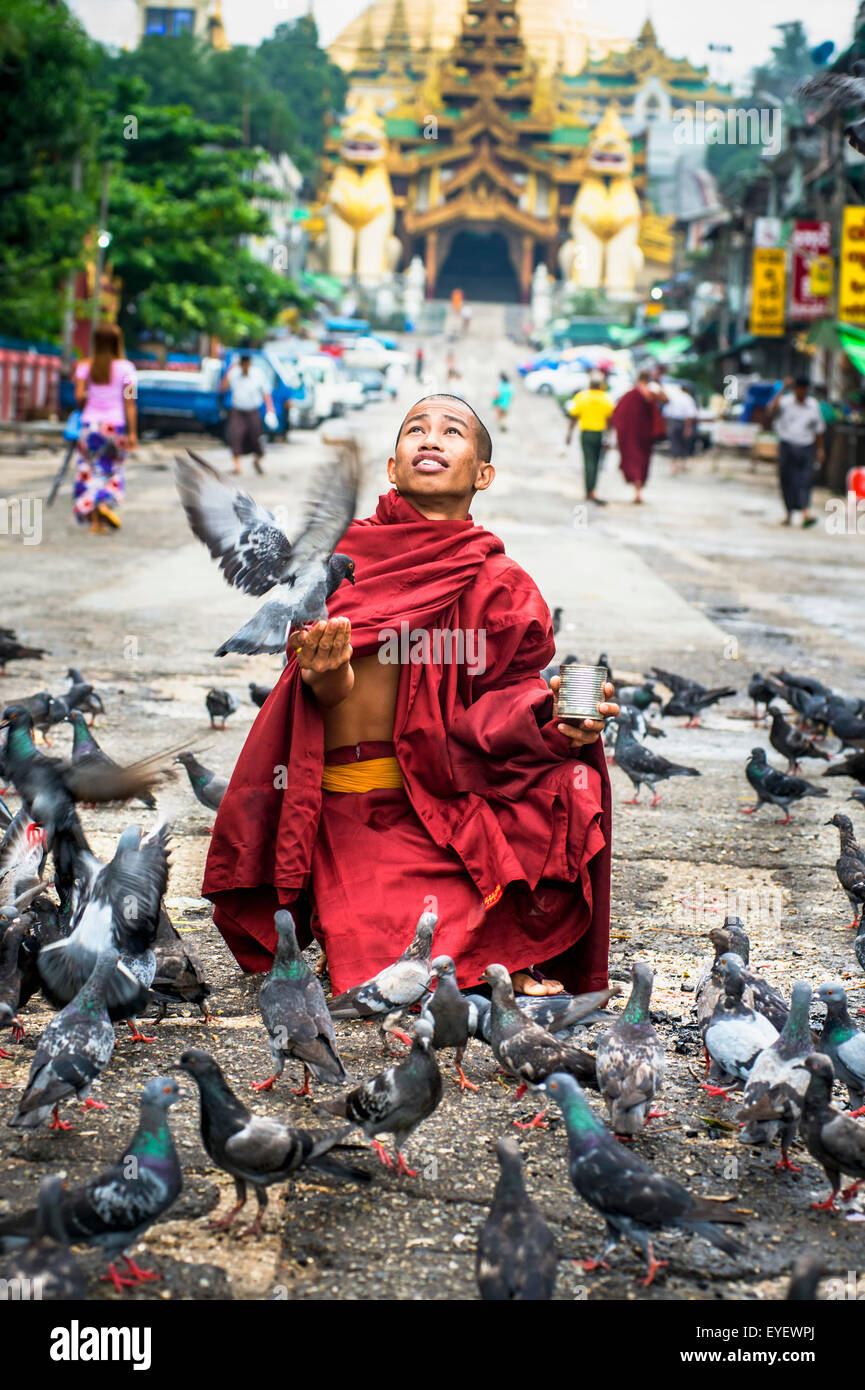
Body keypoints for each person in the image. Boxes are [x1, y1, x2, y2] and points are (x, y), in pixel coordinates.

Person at [203, 394, 618, 1000]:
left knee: (570, 786)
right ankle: (480, 951)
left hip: (444, 798)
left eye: (452, 431)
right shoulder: (345, 559)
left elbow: (501, 706)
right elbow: (328, 698)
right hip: (358, 807)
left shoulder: (499, 582)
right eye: (415, 431)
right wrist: (326, 672)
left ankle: (503, 947)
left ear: (483, 475)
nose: (431, 439)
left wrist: (553, 721)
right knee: (393, 963)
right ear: (393, 468)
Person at [73, 322, 137, 533]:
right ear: (118, 342)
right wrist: (132, 432)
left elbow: (79, 396)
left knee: (88, 471)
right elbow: (130, 402)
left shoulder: (85, 366)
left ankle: (94, 521)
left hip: (90, 425)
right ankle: (103, 505)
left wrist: (88, 404)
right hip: (114, 426)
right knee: (111, 471)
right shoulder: (127, 369)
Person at [767, 375, 825, 528]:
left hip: (806, 446)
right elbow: (771, 410)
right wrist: (782, 389)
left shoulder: (813, 405)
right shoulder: (785, 402)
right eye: (800, 389)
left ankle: (805, 513)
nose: (803, 392)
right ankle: (789, 513)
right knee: (786, 479)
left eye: (805, 390)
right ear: (795, 390)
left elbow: (818, 429)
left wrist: (820, 450)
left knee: (805, 480)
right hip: (787, 444)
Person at [611, 370, 667, 504]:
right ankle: (638, 490)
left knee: (636, 460)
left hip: (638, 434)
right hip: (641, 434)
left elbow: (618, 416)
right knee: (639, 461)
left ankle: (638, 490)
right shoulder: (641, 393)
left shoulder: (634, 393)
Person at [221, 352, 276, 477]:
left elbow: (266, 393)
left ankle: (257, 460)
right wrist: (230, 368)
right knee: (235, 435)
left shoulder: (258, 374)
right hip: (238, 410)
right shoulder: (234, 373)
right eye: (242, 364)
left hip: (253, 410)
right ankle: (237, 466)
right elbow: (223, 387)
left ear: (250, 364)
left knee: (255, 436)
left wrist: (270, 410)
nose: (245, 367)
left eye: (247, 364)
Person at [565, 372, 614, 503]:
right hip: (599, 434)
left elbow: (573, 417)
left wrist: (569, 434)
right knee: (596, 463)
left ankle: (589, 490)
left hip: (587, 434)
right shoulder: (606, 398)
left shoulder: (582, 397)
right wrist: (609, 437)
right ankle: (592, 490)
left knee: (589, 462)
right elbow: (610, 420)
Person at [663, 383, 698, 476]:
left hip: (673, 422)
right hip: (684, 422)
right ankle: (681, 465)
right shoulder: (688, 398)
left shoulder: (674, 397)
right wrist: (688, 428)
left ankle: (673, 466)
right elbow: (690, 414)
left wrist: (667, 425)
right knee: (684, 443)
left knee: (674, 443)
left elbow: (666, 412)